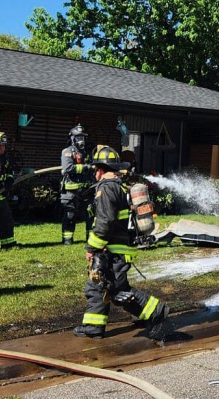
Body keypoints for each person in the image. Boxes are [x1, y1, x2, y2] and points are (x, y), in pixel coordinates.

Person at [74, 145, 168, 340]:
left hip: (112, 251)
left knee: (118, 290)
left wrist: (92, 247)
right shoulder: (118, 186)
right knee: (97, 286)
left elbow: (104, 222)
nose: (95, 174)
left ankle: (156, 312)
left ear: (100, 170)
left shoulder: (106, 189)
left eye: (95, 170)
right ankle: (93, 327)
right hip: (115, 248)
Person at [59, 124, 95, 245]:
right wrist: (86, 167)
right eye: (78, 138)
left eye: (83, 138)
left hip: (86, 191)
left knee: (91, 214)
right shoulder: (67, 152)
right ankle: (67, 240)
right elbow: (68, 168)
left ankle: (91, 240)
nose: (81, 140)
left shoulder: (87, 153)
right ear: (72, 139)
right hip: (71, 191)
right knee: (70, 215)